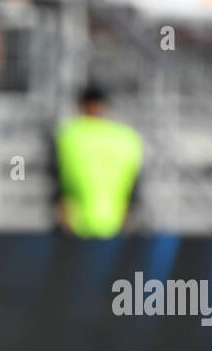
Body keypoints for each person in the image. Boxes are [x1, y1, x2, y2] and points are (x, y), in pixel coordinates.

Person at [51, 83, 143, 238]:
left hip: (76, 223)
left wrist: (60, 208)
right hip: (114, 223)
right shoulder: (127, 137)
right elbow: (135, 181)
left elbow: (55, 174)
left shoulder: (68, 134)